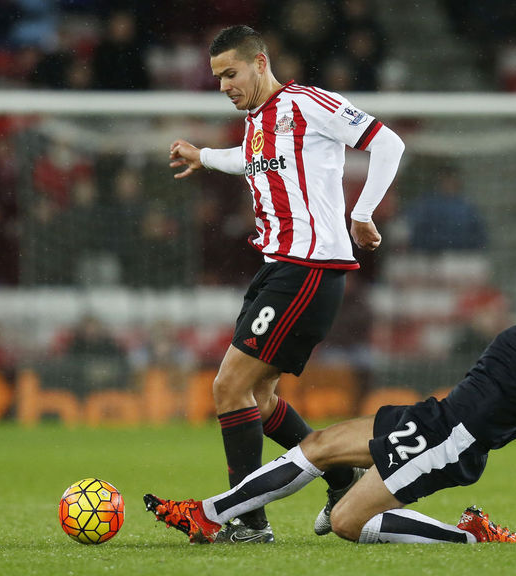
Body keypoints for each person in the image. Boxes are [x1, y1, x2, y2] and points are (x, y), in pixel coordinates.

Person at [144, 209, 516, 545]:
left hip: (455, 441)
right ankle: (209, 516)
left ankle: (469, 537)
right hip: (439, 415)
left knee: (344, 522)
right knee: (319, 445)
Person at [166, 25, 405, 543]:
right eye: (217, 78)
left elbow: (388, 143)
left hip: (308, 268)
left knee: (229, 386)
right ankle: (343, 478)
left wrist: (361, 213)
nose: (224, 85)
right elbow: (246, 161)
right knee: (262, 397)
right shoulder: (258, 123)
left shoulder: (306, 104)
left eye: (231, 73)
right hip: (279, 268)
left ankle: (248, 520)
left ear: (260, 63)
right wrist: (202, 156)